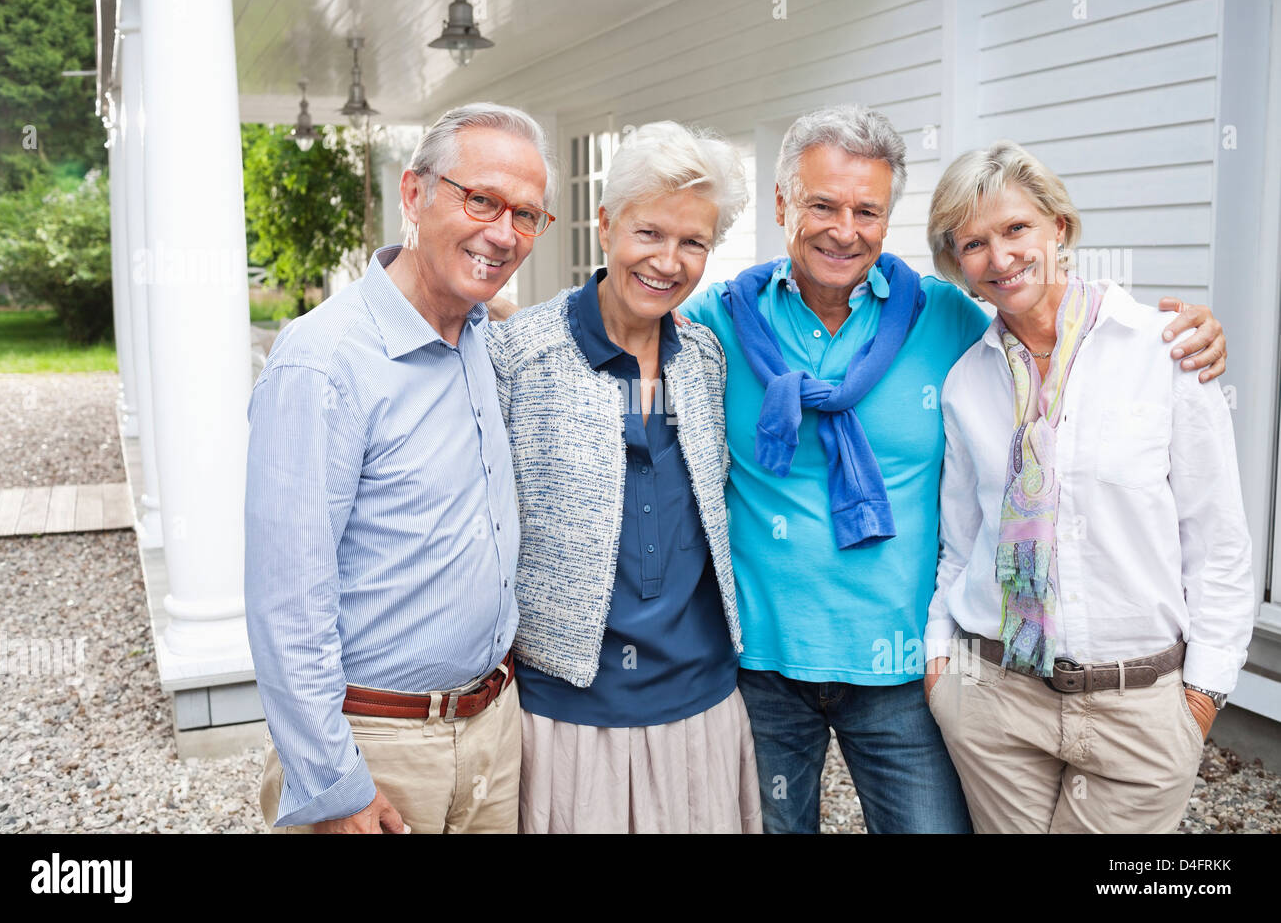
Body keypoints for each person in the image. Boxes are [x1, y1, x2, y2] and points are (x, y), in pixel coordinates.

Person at [675, 105, 1228, 833]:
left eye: (866, 210)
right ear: (782, 204)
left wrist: (1188, 335)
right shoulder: (716, 319)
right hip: (762, 665)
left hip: (906, 670)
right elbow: (626, 326)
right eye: (822, 204)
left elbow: (1049, 324)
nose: (845, 229)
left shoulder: (947, 322)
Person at [921, 140, 1254, 833]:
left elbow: (1217, 542)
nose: (1001, 256)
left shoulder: (1166, 352)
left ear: (1059, 229)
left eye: (1016, 229)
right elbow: (960, 544)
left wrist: (1201, 698)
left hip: (1139, 702)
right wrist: (939, 665)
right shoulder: (966, 383)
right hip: (994, 697)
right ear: (960, 266)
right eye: (974, 243)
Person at [244, 103, 556, 833]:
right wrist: (331, 785)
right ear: (413, 196)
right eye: (480, 199)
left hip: (492, 729)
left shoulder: (479, 332)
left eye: (527, 215)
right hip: (377, 744)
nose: (503, 233)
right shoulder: (323, 364)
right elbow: (286, 605)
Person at [485, 121, 762, 833]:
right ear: (605, 224)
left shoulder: (703, 359)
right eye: (649, 233)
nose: (669, 261)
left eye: (693, 242)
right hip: (569, 708)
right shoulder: (519, 354)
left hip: (701, 699)